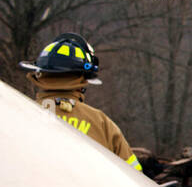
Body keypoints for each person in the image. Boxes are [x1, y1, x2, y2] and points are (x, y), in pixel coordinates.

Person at [21, 31, 142, 171]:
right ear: (84, 78)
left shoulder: (19, 114)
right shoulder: (101, 124)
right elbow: (136, 179)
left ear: (39, 74)